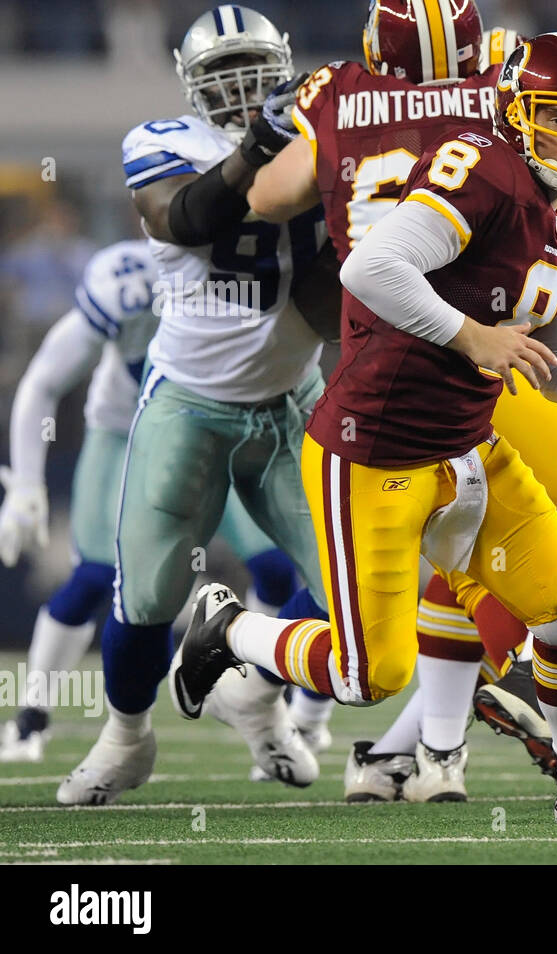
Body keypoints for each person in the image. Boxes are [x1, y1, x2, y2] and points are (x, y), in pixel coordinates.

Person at [170, 32, 557, 824]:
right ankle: (231, 627)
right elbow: (368, 269)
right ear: (516, 112)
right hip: (372, 449)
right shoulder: (482, 165)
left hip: (469, 445)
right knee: (367, 675)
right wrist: (474, 337)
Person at [57, 5, 330, 805]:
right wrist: (260, 146)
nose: (243, 87)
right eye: (222, 73)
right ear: (189, 83)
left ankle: (254, 688)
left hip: (294, 398)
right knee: (144, 597)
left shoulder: (327, 133)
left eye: (255, 69)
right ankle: (126, 739)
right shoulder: (161, 142)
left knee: (356, 595)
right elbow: (187, 219)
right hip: (191, 401)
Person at [0, 239, 298, 762]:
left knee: (275, 567)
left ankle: (254, 701)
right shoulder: (128, 286)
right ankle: (32, 716)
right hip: (127, 433)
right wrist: (27, 484)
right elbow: (42, 381)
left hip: (219, 429)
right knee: (96, 577)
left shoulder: (244, 271)